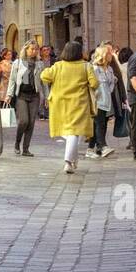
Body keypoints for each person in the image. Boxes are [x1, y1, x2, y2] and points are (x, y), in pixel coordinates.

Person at [41, 41, 98, 174]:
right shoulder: (86, 66)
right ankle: (68, 161)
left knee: (71, 132)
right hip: (79, 103)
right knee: (74, 132)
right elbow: (94, 83)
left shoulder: (58, 66)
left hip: (59, 103)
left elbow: (44, 76)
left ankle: (73, 159)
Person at [4, 42, 42, 156]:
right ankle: (17, 142)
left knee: (31, 123)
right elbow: (12, 80)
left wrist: (47, 96)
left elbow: (43, 82)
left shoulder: (39, 64)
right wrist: (9, 95)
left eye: (36, 49)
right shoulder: (19, 62)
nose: (34, 51)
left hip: (34, 96)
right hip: (22, 95)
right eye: (31, 49)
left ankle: (26, 149)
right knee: (24, 121)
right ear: (26, 49)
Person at [90, 44, 119, 159]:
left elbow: (111, 84)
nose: (110, 55)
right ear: (102, 55)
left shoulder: (110, 69)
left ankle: (93, 147)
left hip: (107, 101)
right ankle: (103, 146)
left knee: (101, 123)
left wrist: (113, 83)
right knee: (99, 123)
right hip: (97, 101)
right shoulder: (95, 69)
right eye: (108, 53)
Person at [36, 44, 55, 120]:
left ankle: (47, 113)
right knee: (42, 97)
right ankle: (41, 112)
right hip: (41, 81)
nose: (46, 51)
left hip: (51, 81)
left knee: (49, 97)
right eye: (44, 50)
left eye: (48, 50)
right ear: (41, 52)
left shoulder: (53, 60)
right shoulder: (39, 61)